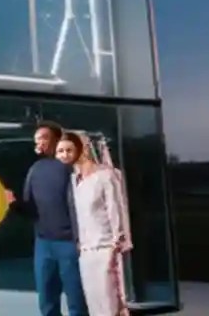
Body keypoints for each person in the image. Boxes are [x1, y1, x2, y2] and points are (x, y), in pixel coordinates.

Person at [5, 122, 88, 316]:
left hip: (70, 244)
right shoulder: (35, 169)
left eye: (44, 137)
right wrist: (13, 203)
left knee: (76, 300)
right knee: (47, 301)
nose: (39, 142)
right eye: (37, 138)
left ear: (58, 140)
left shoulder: (72, 168)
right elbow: (30, 210)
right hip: (43, 244)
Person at [57, 131, 132, 316]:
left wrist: (117, 245)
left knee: (111, 307)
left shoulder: (106, 176)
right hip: (86, 252)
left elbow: (117, 212)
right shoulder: (75, 181)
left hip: (106, 250)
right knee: (94, 306)